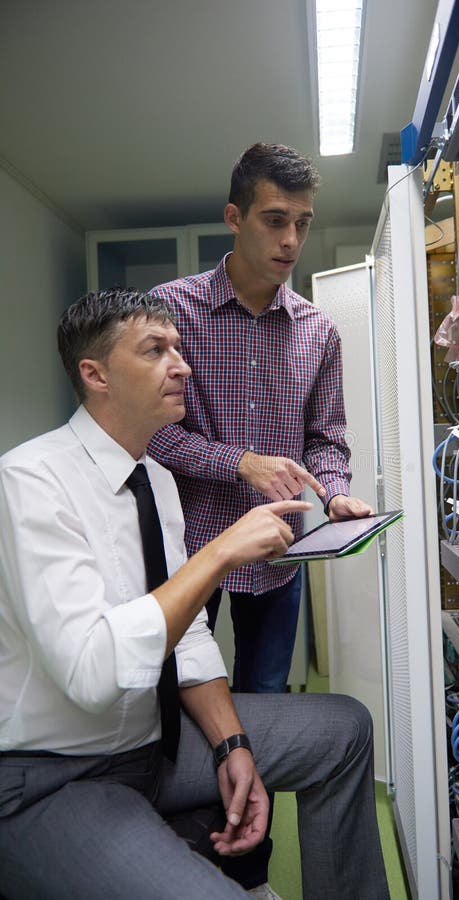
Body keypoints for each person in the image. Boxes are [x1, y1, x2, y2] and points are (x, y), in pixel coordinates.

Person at [0, 289, 390, 900]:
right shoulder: (29, 481)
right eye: (156, 350)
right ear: (95, 374)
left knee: (342, 729)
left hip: (156, 740)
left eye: (179, 349)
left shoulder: (155, 478)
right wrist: (221, 553)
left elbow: (190, 635)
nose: (182, 366)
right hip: (59, 772)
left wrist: (232, 743)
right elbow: (91, 674)